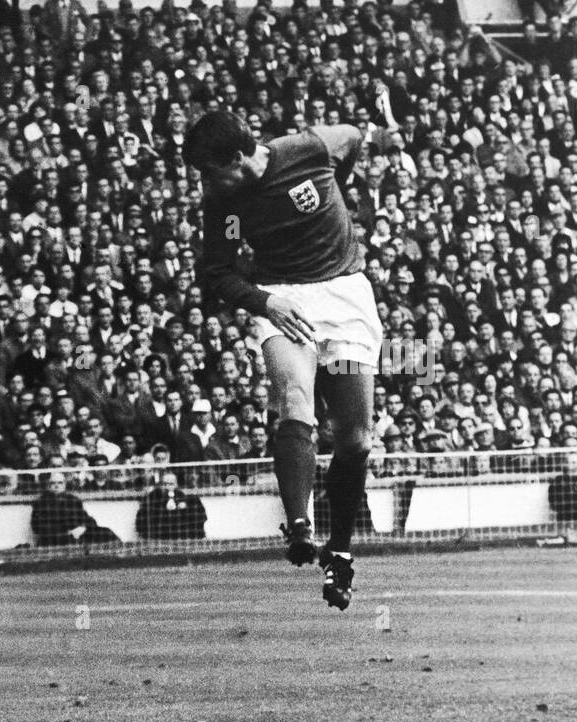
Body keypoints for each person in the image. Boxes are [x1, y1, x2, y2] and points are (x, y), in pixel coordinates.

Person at [186, 106, 389, 610]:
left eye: (210, 172)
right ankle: (299, 525)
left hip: (343, 296)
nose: (205, 184)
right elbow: (220, 272)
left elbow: (355, 140)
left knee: (356, 440)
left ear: (237, 157)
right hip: (283, 301)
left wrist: (336, 187)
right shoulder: (227, 207)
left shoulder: (310, 149)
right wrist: (267, 303)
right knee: (295, 398)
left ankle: (340, 552)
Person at [30, 471, 120, 548]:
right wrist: (67, 532)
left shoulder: (73, 500)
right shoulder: (41, 503)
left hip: (77, 534)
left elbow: (89, 520)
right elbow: (37, 527)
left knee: (105, 532)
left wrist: (83, 527)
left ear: (65, 485)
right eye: (53, 483)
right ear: (48, 486)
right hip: (56, 537)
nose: (57, 486)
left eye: (60, 483)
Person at [135, 471, 208, 540]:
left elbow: (200, 517)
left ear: (176, 485)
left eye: (171, 484)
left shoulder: (184, 497)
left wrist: (185, 508)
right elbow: (142, 520)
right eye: (165, 484)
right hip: (159, 537)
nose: (167, 487)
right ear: (160, 485)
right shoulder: (152, 497)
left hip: (180, 537)